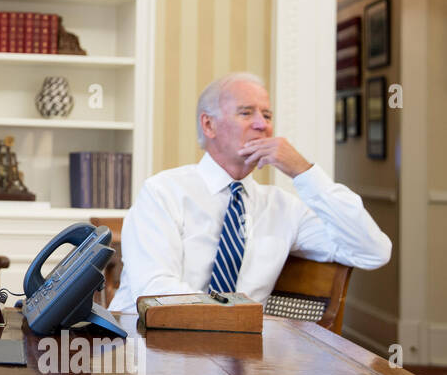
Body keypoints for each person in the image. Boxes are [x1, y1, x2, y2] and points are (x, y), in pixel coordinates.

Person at [109, 72, 391, 314]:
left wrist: (303, 172)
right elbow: (156, 293)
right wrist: (232, 321)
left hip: (237, 360)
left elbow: (372, 252)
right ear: (209, 125)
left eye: (267, 115)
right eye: (246, 113)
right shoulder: (163, 193)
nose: (262, 124)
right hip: (147, 349)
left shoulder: (283, 209)